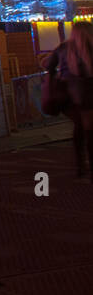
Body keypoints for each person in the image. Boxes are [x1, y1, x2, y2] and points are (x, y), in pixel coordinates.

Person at [54, 22, 93, 178]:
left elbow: (47, 63)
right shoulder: (90, 47)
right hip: (88, 94)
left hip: (70, 97)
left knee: (80, 128)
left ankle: (81, 165)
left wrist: (60, 74)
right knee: (89, 131)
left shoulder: (64, 48)